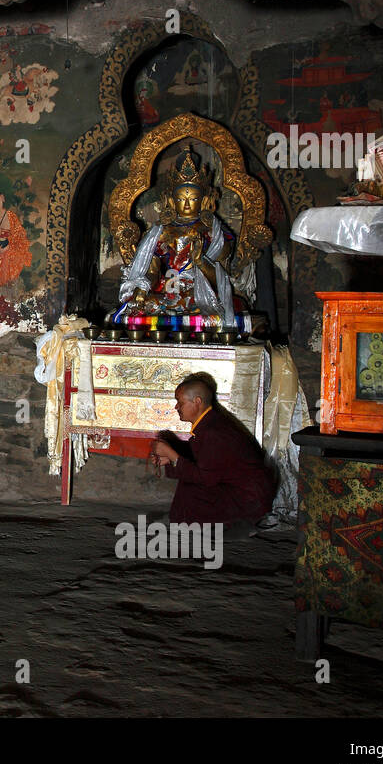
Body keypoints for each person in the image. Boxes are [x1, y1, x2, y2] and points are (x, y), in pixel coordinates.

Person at [113, 145, 240, 328]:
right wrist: (142, 288)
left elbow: (221, 280)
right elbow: (152, 270)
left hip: (199, 295)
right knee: (137, 306)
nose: (187, 204)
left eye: (193, 199)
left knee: (210, 307)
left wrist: (200, 261)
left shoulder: (214, 232)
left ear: (204, 199)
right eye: (181, 199)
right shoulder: (160, 231)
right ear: (171, 200)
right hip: (165, 294)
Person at [148, 373, 276, 524]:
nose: (176, 407)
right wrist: (170, 459)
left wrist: (170, 453)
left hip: (248, 500)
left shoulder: (214, 432)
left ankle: (194, 523)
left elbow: (205, 477)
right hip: (245, 494)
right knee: (189, 483)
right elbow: (201, 458)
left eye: (180, 402)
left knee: (192, 487)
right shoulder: (210, 423)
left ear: (197, 402)